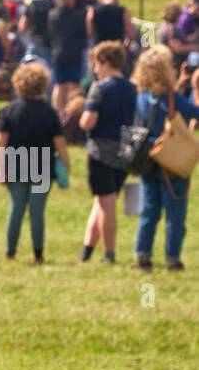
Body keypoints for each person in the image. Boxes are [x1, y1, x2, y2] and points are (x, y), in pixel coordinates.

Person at [132, 46, 199, 271]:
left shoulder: (142, 95)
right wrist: (195, 89)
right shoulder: (172, 98)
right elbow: (194, 114)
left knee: (149, 210)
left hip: (147, 158)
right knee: (175, 211)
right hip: (170, 157)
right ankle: (172, 258)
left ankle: (143, 256)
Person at [0, 61, 68, 264]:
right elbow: (60, 143)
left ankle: (10, 252)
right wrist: (67, 165)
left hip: (15, 166)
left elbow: (1, 142)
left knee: (16, 209)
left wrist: (0, 169)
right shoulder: (49, 113)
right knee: (37, 212)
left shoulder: (8, 111)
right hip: (42, 168)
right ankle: (38, 254)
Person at [78, 41, 136, 264]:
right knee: (101, 202)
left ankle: (109, 253)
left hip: (100, 152)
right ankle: (87, 250)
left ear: (104, 62)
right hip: (124, 152)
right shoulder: (132, 88)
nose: (94, 69)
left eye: (95, 64)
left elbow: (88, 122)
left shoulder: (99, 88)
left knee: (106, 204)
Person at [50, 0, 89, 116]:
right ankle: (71, 114)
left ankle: (58, 114)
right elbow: (84, 35)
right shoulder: (77, 16)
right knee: (73, 86)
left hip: (57, 53)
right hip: (73, 54)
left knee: (59, 86)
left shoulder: (52, 14)